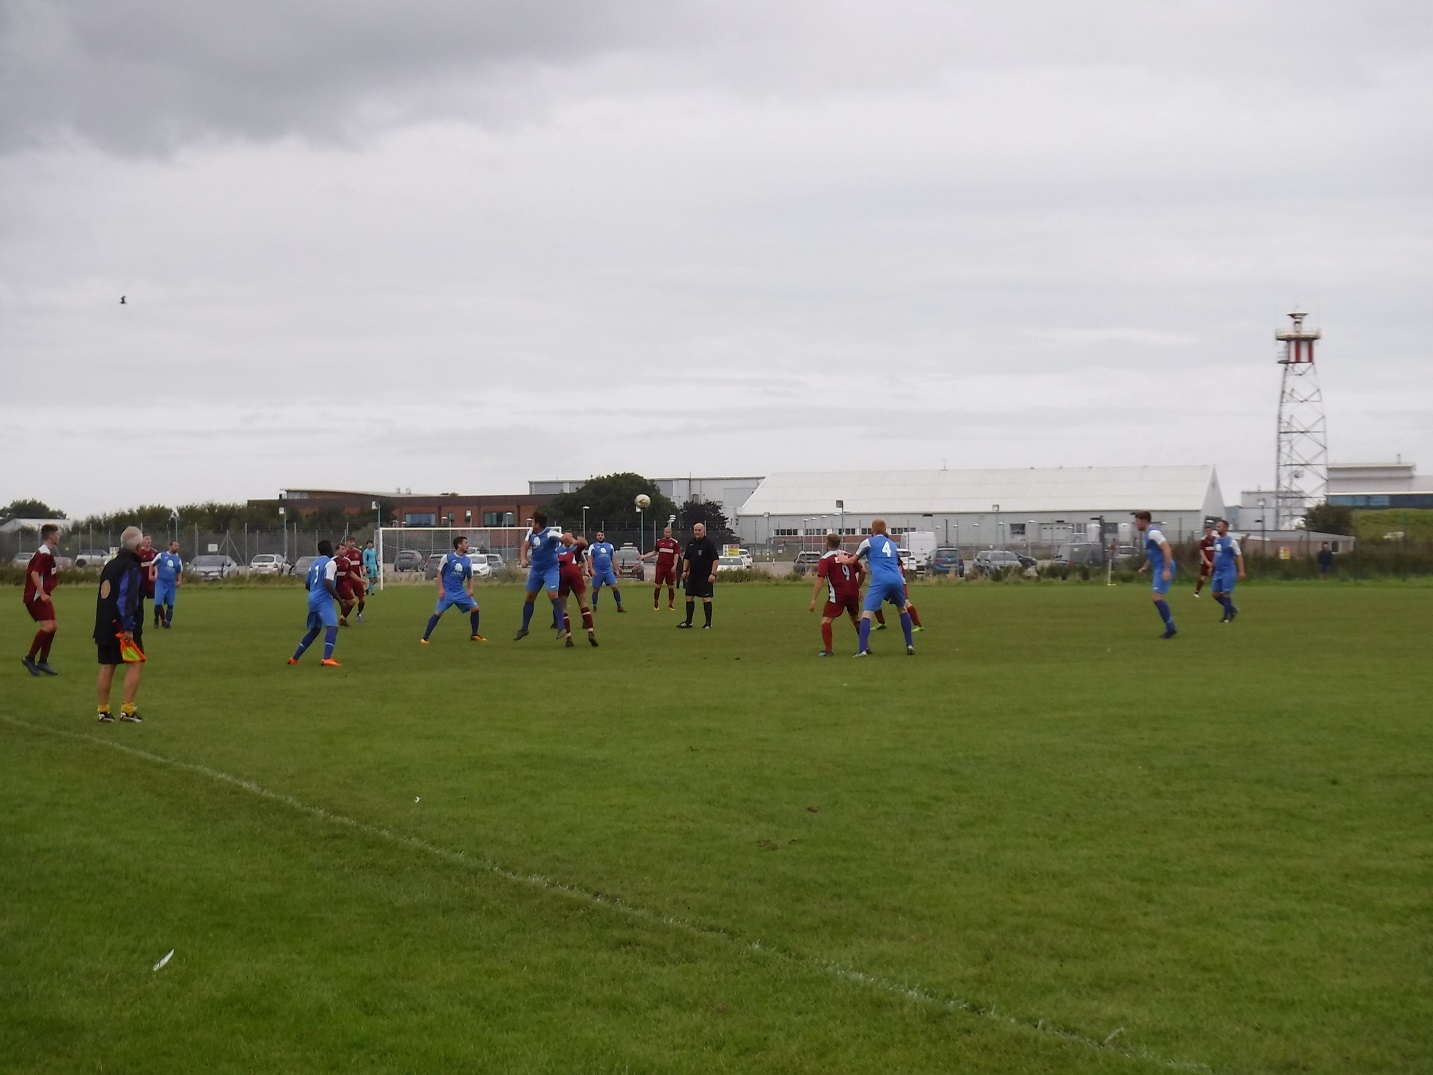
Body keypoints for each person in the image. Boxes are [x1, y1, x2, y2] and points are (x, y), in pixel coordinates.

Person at [94, 526, 147, 721]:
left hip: (104, 623)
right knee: (136, 662)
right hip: (121, 627)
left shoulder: (110, 565)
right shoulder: (131, 567)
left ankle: (103, 710)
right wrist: (129, 628)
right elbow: (126, 599)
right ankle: (128, 709)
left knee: (108, 665)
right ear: (139, 546)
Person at [853, 520, 915, 656]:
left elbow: (853, 560)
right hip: (897, 579)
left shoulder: (868, 542)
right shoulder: (892, 544)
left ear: (872, 529)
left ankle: (862, 649)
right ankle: (909, 644)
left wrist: (842, 559)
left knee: (867, 612)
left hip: (880, 580)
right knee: (902, 609)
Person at [420, 535, 486, 644]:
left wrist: (470, 589)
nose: (468, 545)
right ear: (459, 545)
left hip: (460, 592)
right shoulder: (447, 558)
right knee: (438, 613)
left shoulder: (467, 561)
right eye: (465, 543)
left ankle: (474, 634)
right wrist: (441, 589)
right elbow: (440, 574)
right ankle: (424, 638)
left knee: (475, 609)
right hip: (447, 593)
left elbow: (470, 577)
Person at [514, 512, 568, 641]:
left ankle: (561, 626)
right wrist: (522, 559)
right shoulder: (531, 532)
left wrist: (574, 541)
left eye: (533, 522)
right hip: (536, 570)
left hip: (551, 569)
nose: (531, 524)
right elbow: (524, 547)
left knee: (553, 594)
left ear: (538, 524)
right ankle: (524, 628)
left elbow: (564, 537)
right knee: (530, 597)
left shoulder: (550, 533)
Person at [288, 540, 343, 666]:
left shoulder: (314, 564)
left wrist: (315, 592)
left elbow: (307, 584)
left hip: (312, 598)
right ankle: (327, 658)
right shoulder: (331, 563)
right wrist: (340, 600)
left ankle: (294, 658)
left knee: (315, 630)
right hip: (323, 599)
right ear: (329, 550)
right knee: (332, 627)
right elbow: (328, 583)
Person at [809, 533, 864, 657]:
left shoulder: (825, 559)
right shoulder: (848, 555)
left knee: (826, 621)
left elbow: (820, 578)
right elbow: (863, 571)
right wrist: (857, 588)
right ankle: (866, 646)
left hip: (838, 595)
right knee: (855, 619)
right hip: (852, 594)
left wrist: (813, 599)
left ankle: (828, 650)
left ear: (826, 544)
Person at [20, 523, 62, 676]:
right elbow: (34, 574)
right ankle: (30, 658)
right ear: (51, 536)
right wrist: (43, 593)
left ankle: (43, 661)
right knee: (48, 627)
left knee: (54, 626)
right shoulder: (44, 555)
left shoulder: (43, 552)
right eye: (57, 534)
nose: (59, 536)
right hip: (36, 597)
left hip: (42, 595)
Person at [1134, 511, 1177, 639]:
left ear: (1144, 521)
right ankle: (1170, 626)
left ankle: (1171, 627)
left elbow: (1167, 548)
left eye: (1137, 521)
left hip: (1164, 567)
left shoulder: (1153, 533)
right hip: (1159, 567)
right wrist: (1145, 567)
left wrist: (1167, 569)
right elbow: (1153, 553)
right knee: (1157, 597)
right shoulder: (1147, 534)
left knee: (1156, 597)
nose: (1136, 524)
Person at [557, 532, 598, 647]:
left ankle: (568, 637)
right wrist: (580, 540)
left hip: (561, 574)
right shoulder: (575, 549)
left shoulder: (557, 550)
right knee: (582, 602)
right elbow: (584, 544)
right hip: (574, 573)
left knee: (563, 606)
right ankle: (590, 631)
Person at [676, 522, 720, 629]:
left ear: (703, 531)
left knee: (706, 598)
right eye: (695, 530)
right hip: (693, 576)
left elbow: (715, 559)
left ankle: (708, 623)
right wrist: (685, 571)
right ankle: (688, 622)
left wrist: (713, 573)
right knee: (688, 597)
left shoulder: (708, 543)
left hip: (705, 576)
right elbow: (686, 558)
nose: (697, 532)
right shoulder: (691, 543)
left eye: (699, 530)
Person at [1210, 519, 1246, 623]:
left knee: (1226, 593)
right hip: (1218, 571)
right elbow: (1216, 555)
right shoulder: (1216, 540)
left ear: (1226, 528)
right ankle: (1232, 609)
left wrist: (1241, 571)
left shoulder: (1232, 542)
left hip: (1228, 571)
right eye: (1217, 527)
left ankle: (1226, 617)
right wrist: (1211, 567)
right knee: (1215, 594)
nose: (1217, 529)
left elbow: (1239, 556)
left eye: (1219, 527)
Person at [641, 526, 682, 611]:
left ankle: (670, 605)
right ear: (664, 532)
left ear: (671, 533)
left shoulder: (674, 543)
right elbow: (654, 552)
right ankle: (656, 604)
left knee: (670, 586)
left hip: (669, 567)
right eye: (666, 532)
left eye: (669, 532)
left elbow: (676, 555)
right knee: (658, 585)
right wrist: (644, 556)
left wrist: (674, 565)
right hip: (660, 566)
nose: (667, 533)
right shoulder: (659, 542)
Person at [586, 531, 626, 612]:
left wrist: (617, 570)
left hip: (608, 570)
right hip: (598, 571)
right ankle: (594, 607)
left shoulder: (610, 546)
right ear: (596, 537)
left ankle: (619, 606)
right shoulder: (593, 546)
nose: (600, 536)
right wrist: (591, 569)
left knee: (614, 587)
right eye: (598, 535)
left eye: (602, 535)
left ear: (604, 536)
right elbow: (589, 559)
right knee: (596, 589)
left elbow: (613, 558)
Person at [152, 539, 183, 628]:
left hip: (171, 585)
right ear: (170, 546)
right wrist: (151, 575)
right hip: (161, 583)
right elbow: (152, 564)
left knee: (170, 605)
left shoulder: (178, 559)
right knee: (158, 603)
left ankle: (167, 622)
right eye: (175, 545)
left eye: (178, 546)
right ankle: (156, 619)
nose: (177, 548)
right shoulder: (161, 555)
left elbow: (179, 571)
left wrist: (179, 581)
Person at [138, 533, 159, 628]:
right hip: (142, 582)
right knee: (139, 602)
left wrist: (156, 576)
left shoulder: (154, 552)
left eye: (150, 539)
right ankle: (138, 621)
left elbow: (158, 566)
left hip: (152, 582)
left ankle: (159, 619)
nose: (148, 541)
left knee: (158, 600)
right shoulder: (139, 553)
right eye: (146, 539)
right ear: (142, 540)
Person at [1193, 525, 1215, 598]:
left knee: (1216, 576)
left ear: (1212, 531)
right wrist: (1206, 561)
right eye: (1206, 531)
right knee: (1204, 577)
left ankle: (1218, 591)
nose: (1208, 532)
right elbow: (1201, 552)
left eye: (1209, 530)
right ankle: (1196, 592)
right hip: (1206, 562)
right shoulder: (1204, 540)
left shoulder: (1216, 539)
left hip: (1214, 562)